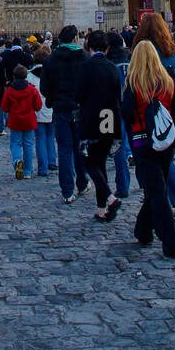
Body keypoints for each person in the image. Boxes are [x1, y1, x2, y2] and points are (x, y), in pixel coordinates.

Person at [121, 41, 175, 259]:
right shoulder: (168, 81)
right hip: (165, 143)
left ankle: (173, 243)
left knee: (156, 192)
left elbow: (126, 113)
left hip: (142, 142)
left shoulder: (133, 83)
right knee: (157, 188)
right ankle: (144, 232)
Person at [132, 13, 175, 217]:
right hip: (168, 106)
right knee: (164, 152)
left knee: (151, 155)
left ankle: (163, 198)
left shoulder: (146, 49)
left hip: (148, 108)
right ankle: (173, 198)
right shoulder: (170, 49)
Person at [39, 25, 90, 205]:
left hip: (60, 109)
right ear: (76, 39)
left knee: (65, 150)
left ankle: (67, 192)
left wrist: (54, 98)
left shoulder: (51, 59)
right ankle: (82, 183)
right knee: (80, 148)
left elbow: (44, 88)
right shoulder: (85, 58)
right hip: (79, 110)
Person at [76, 30, 122, 222]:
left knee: (90, 163)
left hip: (92, 118)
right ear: (107, 47)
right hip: (109, 117)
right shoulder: (112, 67)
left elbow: (78, 95)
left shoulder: (85, 67)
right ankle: (102, 208)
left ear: (88, 46)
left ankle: (110, 198)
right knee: (101, 161)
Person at [0, 64, 42, 180]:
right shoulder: (32, 89)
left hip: (15, 120)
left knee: (15, 143)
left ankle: (17, 160)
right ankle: (28, 171)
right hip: (29, 120)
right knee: (28, 144)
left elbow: (4, 107)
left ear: (14, 76)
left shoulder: (9, 90)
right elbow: (38, 106)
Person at [106, 33, 132, 199]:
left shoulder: (109, 65)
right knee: (139, 143)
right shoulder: (131, 63)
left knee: (118, 148)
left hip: (115, 110)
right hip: (134, 107)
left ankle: (122, 186)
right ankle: (144, 182)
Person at [28, 50, 56, 177]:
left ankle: (43, 168)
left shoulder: (29, 76)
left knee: (40, 138)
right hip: (51, 109)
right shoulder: (53, 74)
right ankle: (52, 161)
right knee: (50, 137)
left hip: (37, 111)